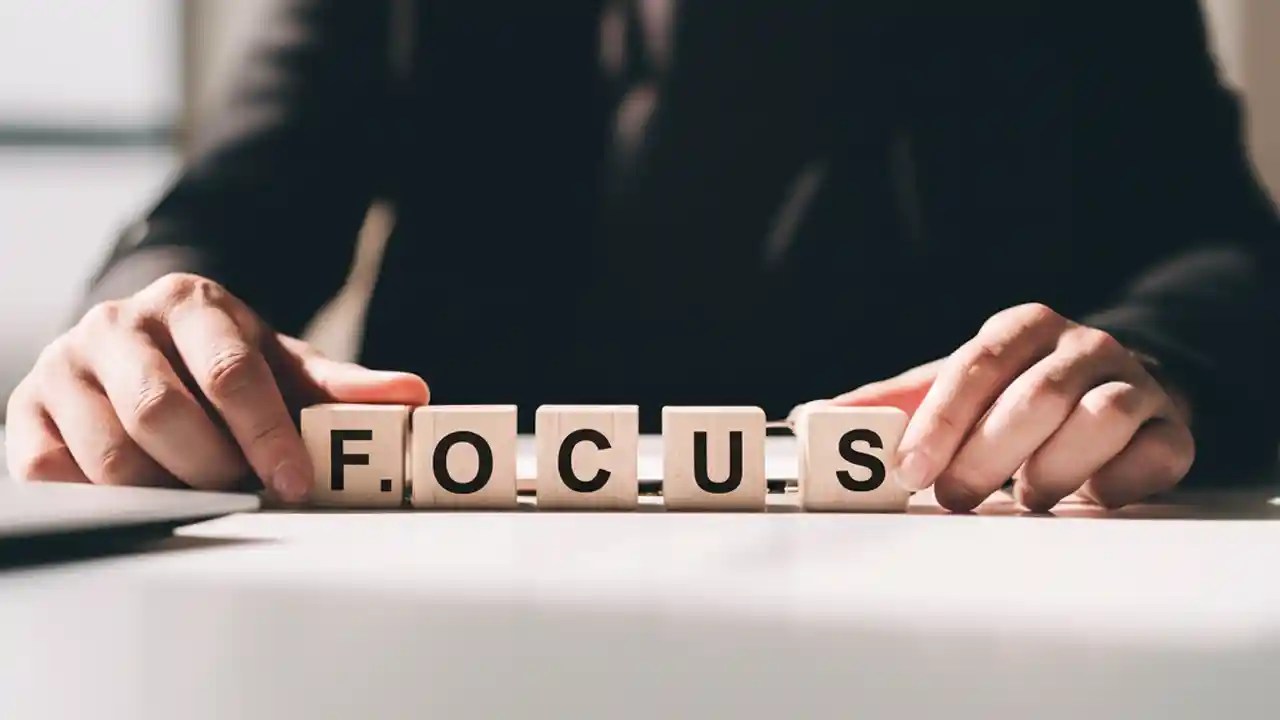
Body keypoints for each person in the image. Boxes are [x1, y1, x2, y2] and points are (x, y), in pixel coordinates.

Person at [6, 1, 1278, 512]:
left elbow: (1224, 253)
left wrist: (1141, 368)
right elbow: (223, 215)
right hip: (459, 616)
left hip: (963, 587)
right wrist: (142, 332)